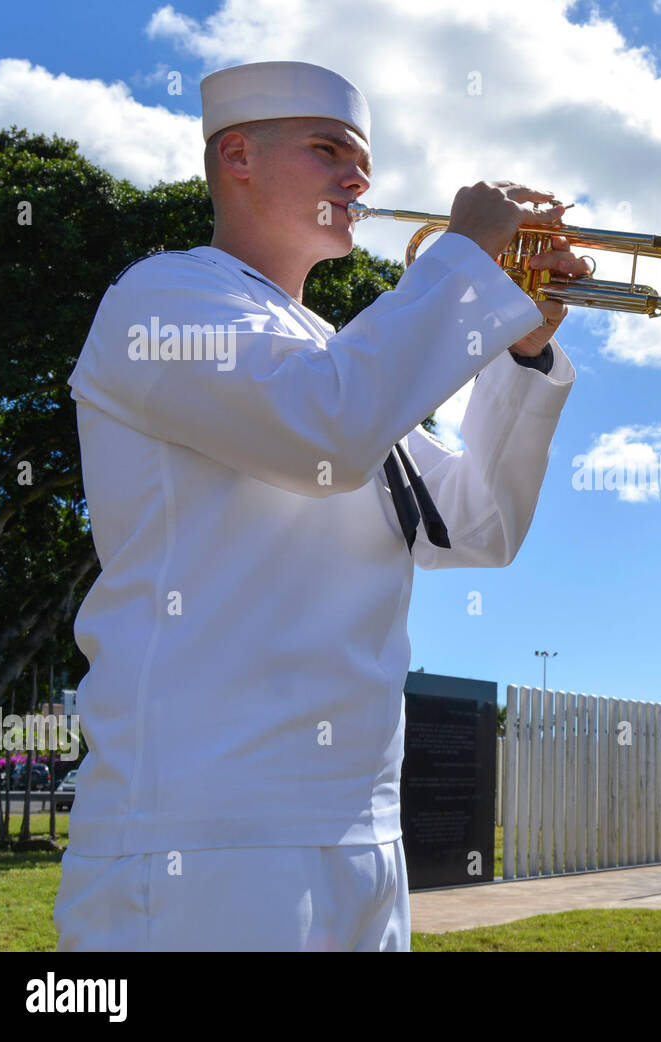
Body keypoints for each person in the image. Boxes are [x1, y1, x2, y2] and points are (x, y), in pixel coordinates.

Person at [52, 60, 587, 951]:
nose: (360, 179)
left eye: (362, 158)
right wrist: (463, 259)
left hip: (362, 824)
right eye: (328, 148)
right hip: (208, 832)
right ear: (238, 157)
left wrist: (520, 355)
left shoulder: (337, 355)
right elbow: (326, 436)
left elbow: (477, 525)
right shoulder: (162, 297)